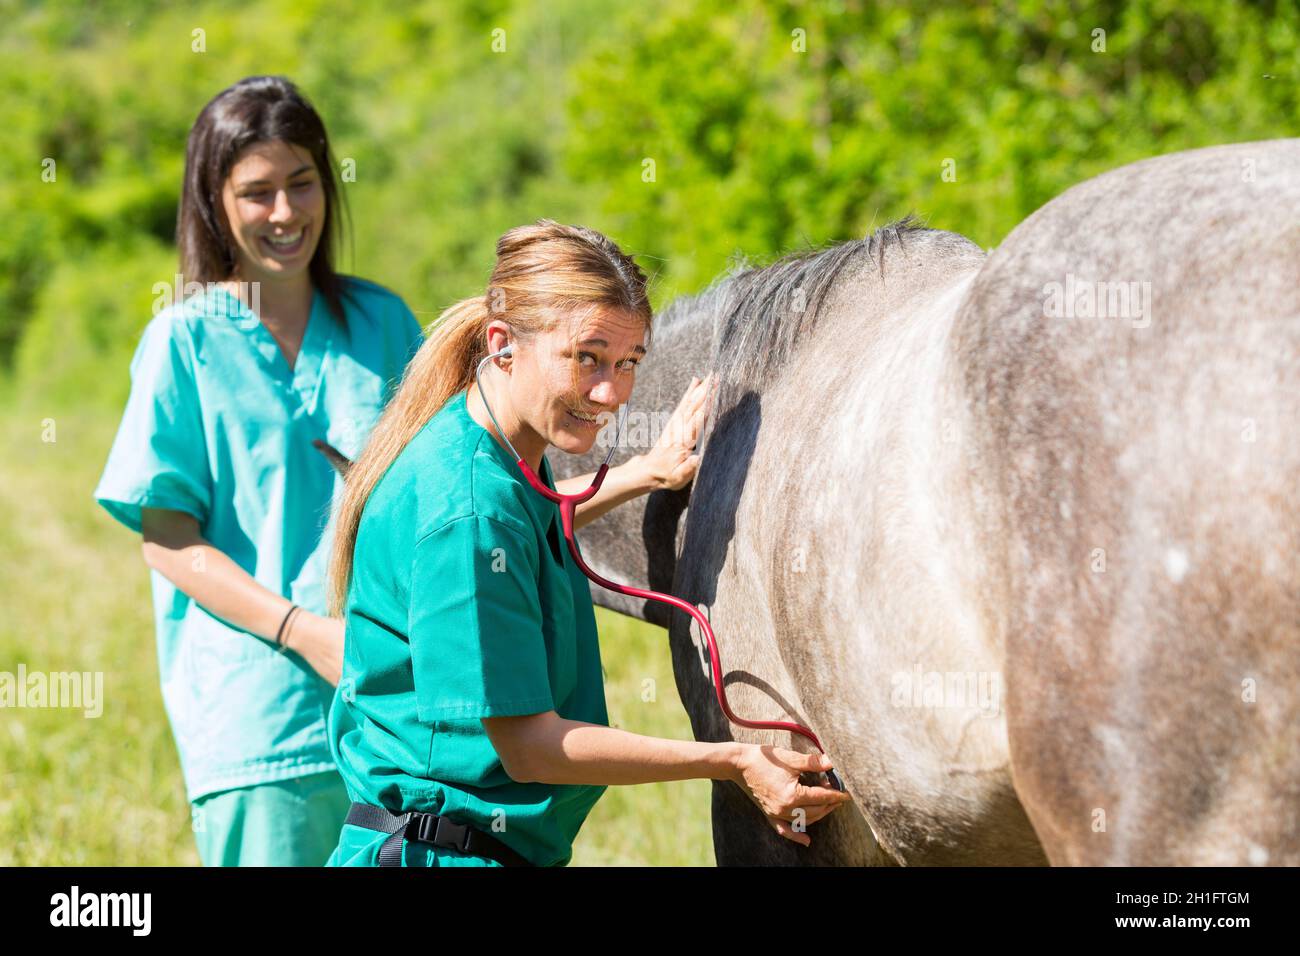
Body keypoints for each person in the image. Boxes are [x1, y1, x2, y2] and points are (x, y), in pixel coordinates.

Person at [324, 219, 852, 867]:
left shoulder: (492, 448)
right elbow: (530, 746)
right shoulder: (467, 509)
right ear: (503, 343)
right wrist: (732, 760)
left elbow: (518, 539)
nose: (611, 393)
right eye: (587, 358)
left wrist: (645, 474)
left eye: (629, 363)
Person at [93, 75, 424, 866]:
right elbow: (166, 538)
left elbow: (446, 493)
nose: (285, 213)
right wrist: (303, 633)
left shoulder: (385, 323)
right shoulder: (182, 344)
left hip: (391, 716)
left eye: (302, 182)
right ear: (214, 200)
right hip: (255, 722)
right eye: (257, 191)